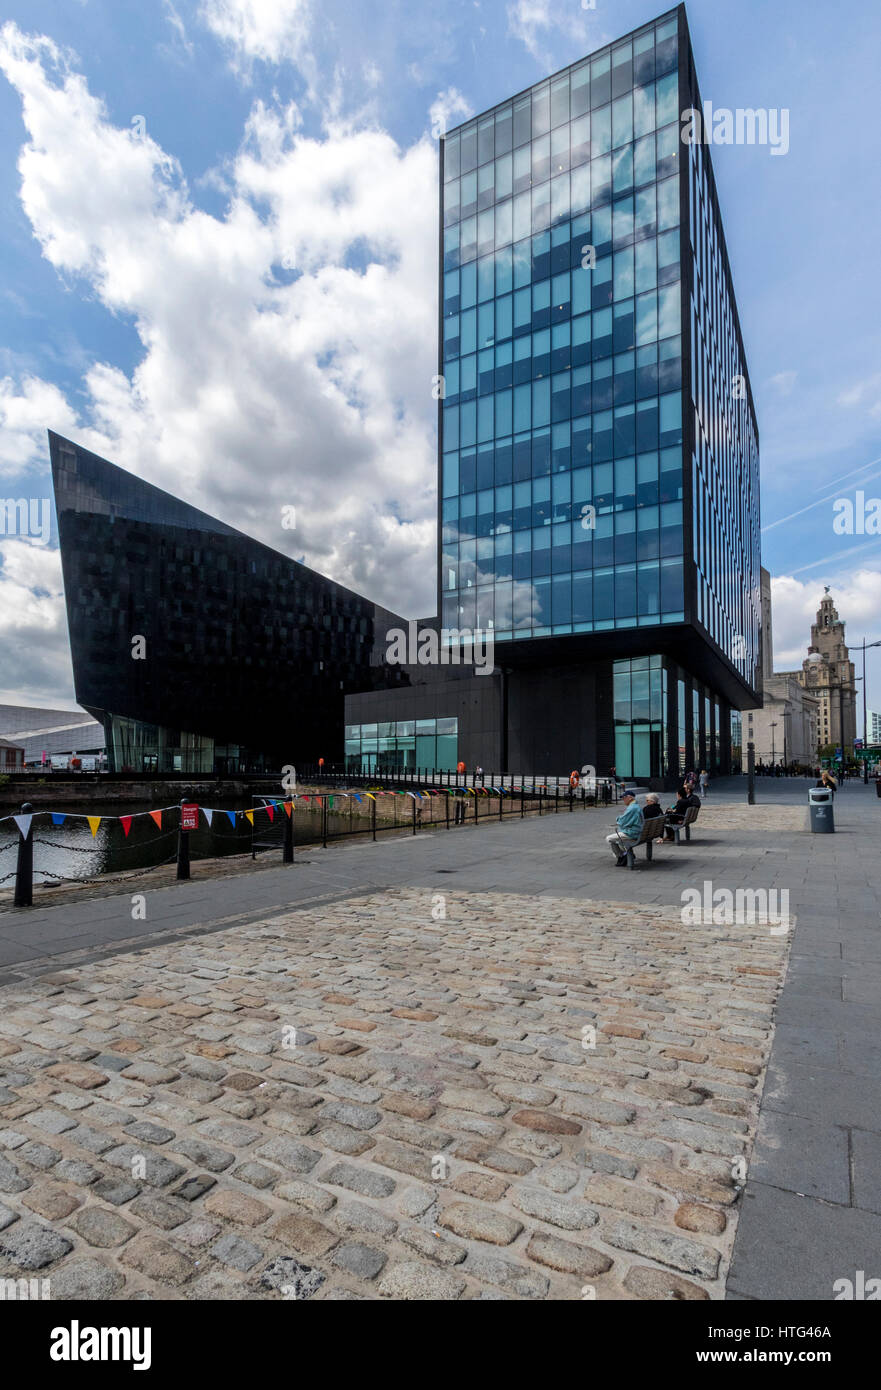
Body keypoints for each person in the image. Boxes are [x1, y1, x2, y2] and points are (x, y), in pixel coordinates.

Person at [605, 788, 644, 865]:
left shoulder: (632, 808)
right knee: (619, 837)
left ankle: (621, 856)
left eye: (624, 797)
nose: (623, 800)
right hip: (637, 831)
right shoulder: (635, 806)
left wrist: (618, 818)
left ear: (630, 798)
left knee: (609, 838)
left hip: (632, 833)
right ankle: (628, 854)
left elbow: (621, 821)